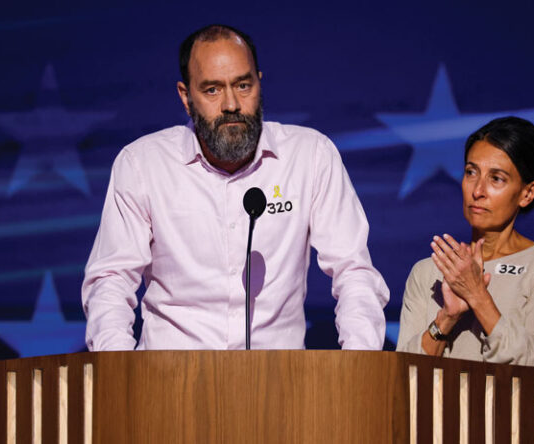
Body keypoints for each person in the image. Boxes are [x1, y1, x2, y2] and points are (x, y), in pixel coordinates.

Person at [82, 24, 389, 351]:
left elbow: (353, 271)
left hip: (280, 376)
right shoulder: (142, 164)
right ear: (186, 97)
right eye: (212, 90)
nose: (231, 104)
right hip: (169, 376)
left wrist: (359, 362)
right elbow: (111, 282)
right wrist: (121, 372)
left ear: (259, 83)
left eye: (243, 85)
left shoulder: (310, 156)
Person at [395, 116, 534, 443]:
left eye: (497, 179)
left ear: (528, 193)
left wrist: (478, 296)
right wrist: (446, 318)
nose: (477, 191)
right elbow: (403, 377)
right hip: (438, 425)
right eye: (470, 172)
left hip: (517, 425)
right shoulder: (429, 271)